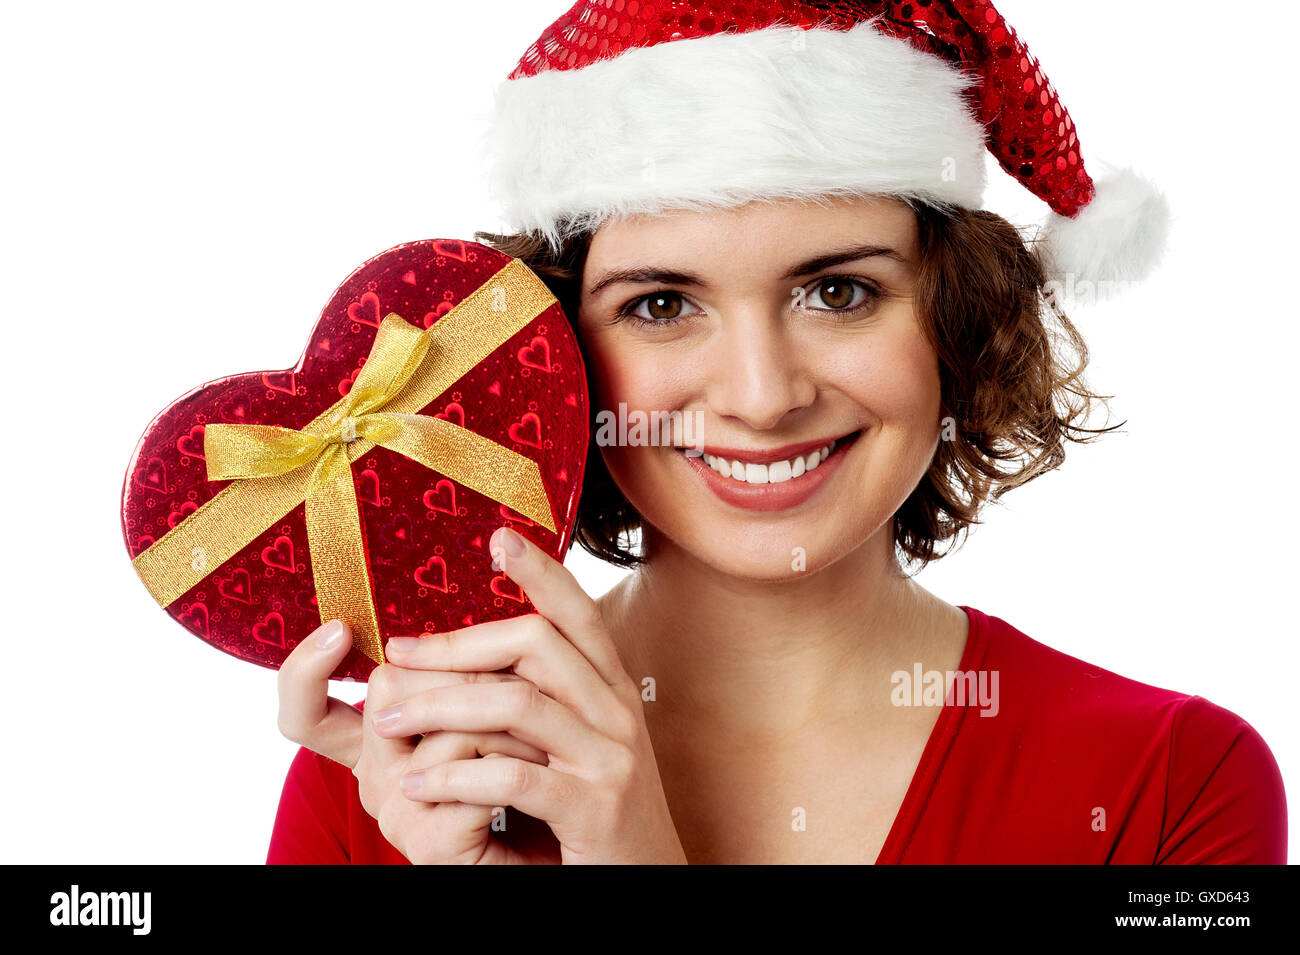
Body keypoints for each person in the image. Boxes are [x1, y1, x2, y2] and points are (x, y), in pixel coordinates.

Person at [266, 0, 1287, 864]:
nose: (761, 396)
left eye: (838, 291)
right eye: (662, 305)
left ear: (959, 317)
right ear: (553, 356)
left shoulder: (1174, 785)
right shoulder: (408, 771)